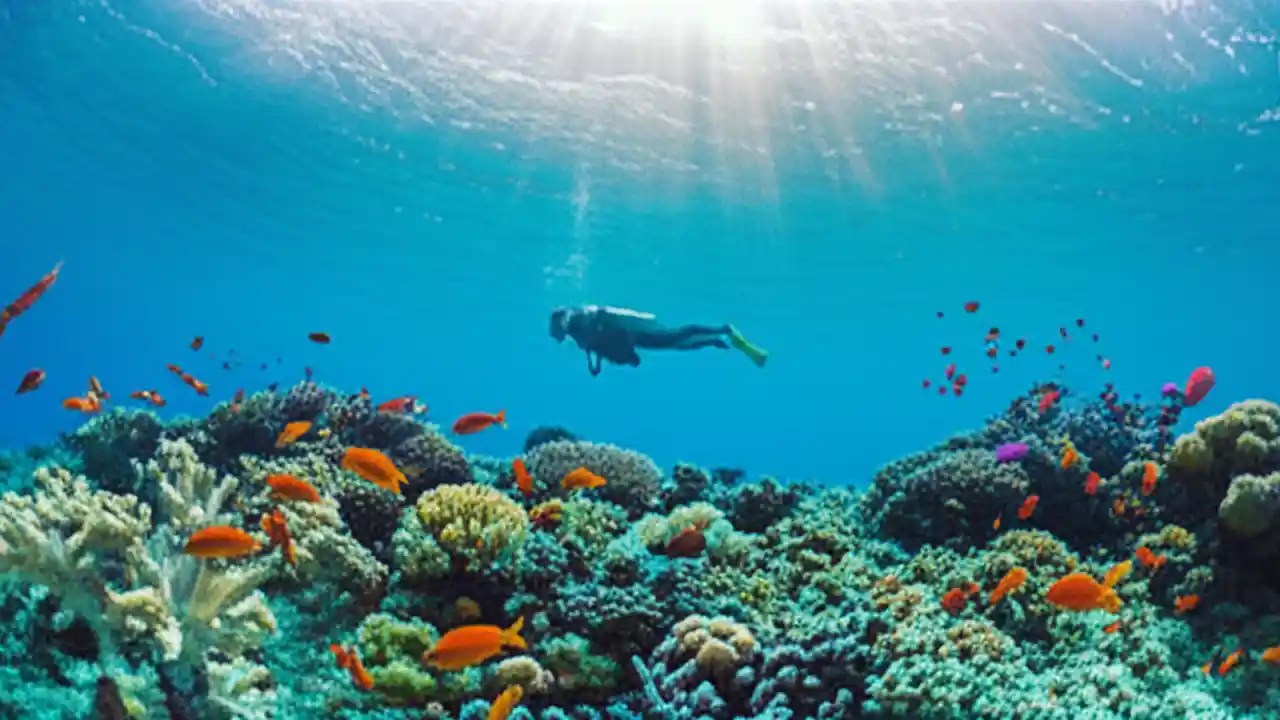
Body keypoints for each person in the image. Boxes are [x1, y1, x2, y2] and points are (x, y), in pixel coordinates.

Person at [549, 305, 768, 376]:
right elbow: (595, 348)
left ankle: (723, 329)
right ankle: (713, 340)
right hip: (634, 341)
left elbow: (597, 342)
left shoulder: (581, 325)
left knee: (675, 338)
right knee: (675, 343)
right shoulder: (579, 331)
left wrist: (596, 363)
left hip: (637, 336)